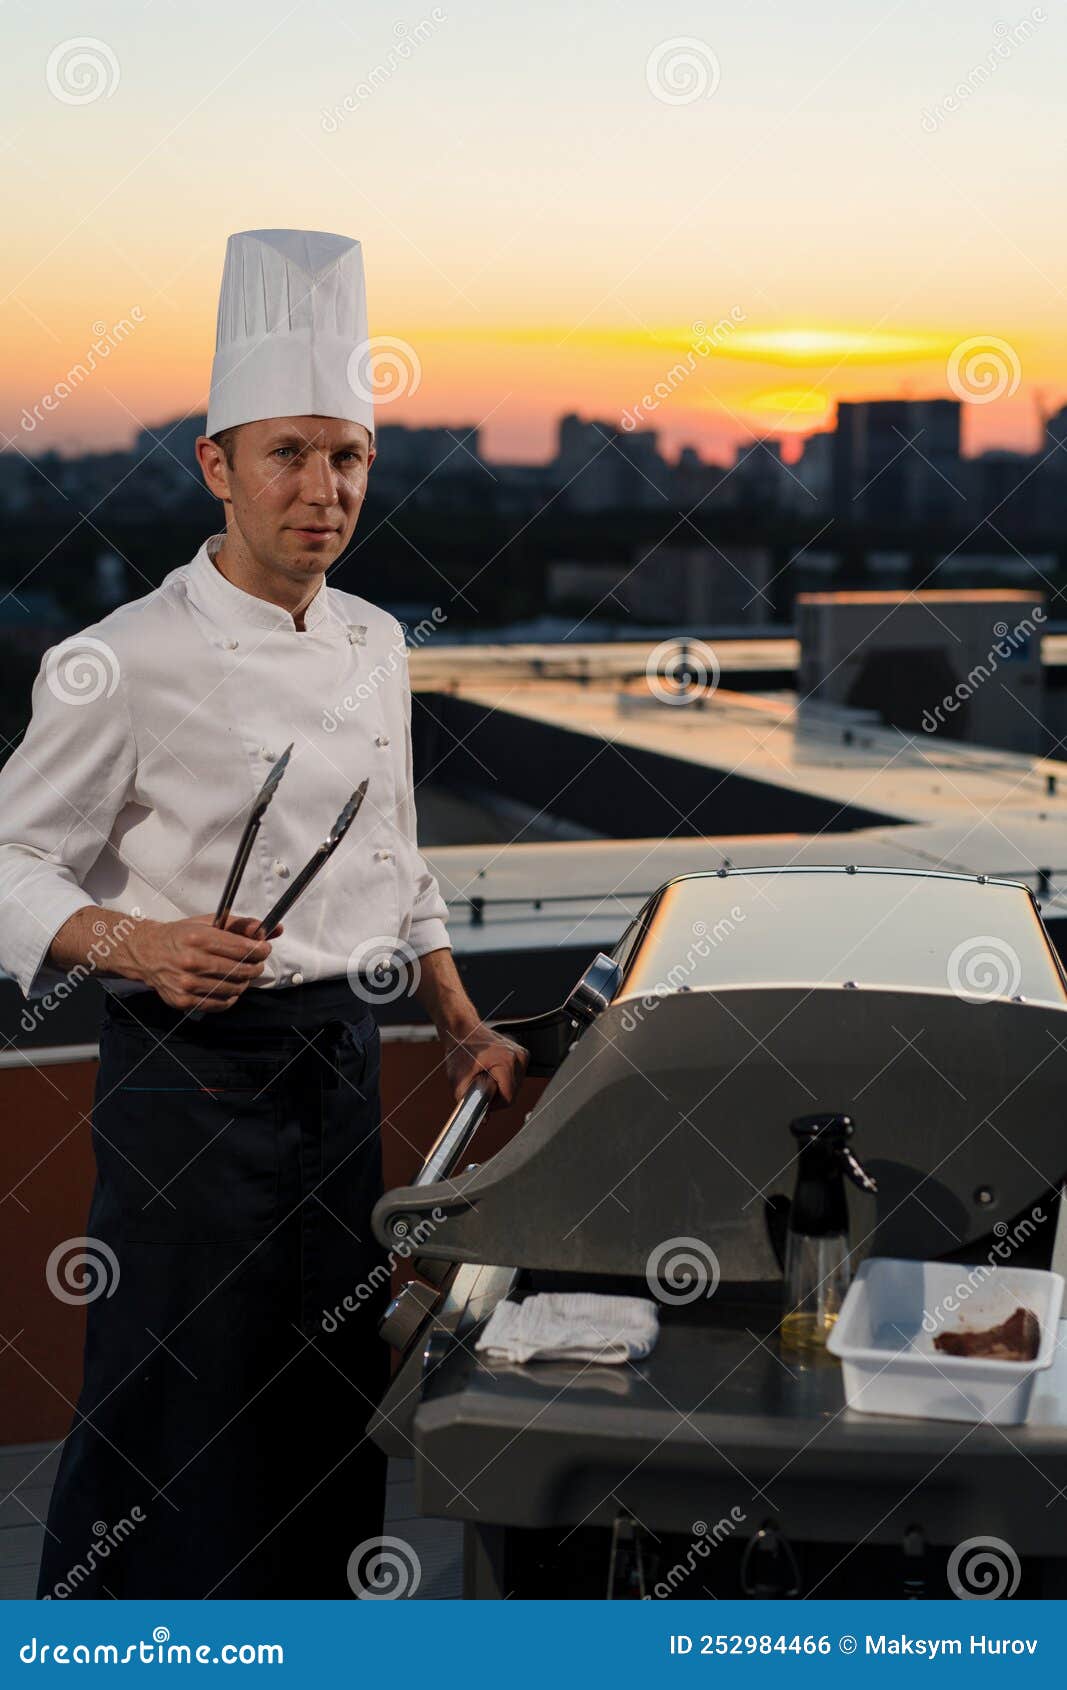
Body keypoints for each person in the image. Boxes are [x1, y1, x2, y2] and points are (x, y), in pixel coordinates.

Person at [0, 228, 527, 1598]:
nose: (323, 486)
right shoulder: (119, 659)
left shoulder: (376, 641)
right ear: (215, 466)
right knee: (173, 1413)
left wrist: (460, 1018)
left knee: (318, 1403)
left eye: (347, 454)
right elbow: (7, 861)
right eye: (287, 452)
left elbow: (399, 857)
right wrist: (141, 942)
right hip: (190, 1086)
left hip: (341, 1079)